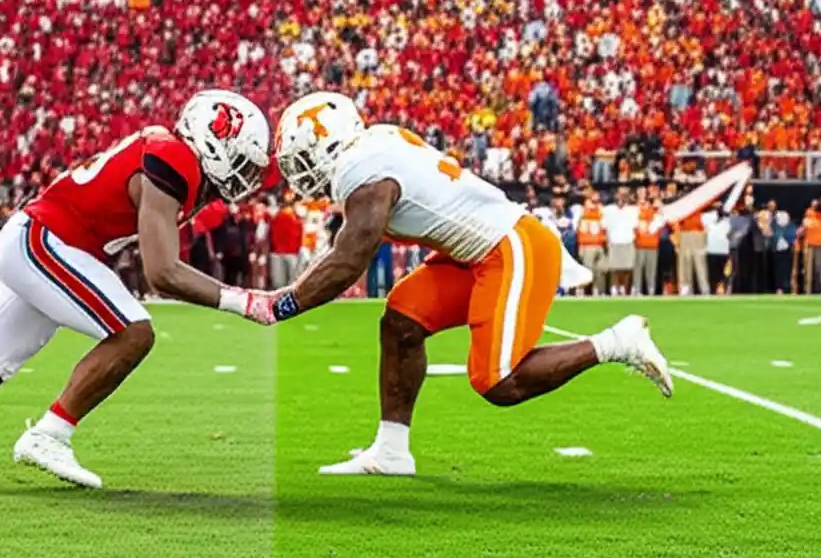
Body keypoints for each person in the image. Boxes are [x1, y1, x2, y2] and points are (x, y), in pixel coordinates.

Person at [0, 90, 272, 488]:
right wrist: (244, 301)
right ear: (213, 141)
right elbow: (162, 272)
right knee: (134, 332)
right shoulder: (173, 158)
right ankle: (51, 434)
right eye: (243, 158)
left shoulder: (171, 154)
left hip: (45, 243)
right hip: (46, 241)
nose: (246, 173)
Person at [257, 92, 671, 476]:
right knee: (403, 319)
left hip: (509, 245)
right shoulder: (377, 142)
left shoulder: (360, 168)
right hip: (473, 254)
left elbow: (347, 262)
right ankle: (391, 451)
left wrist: (281, 304)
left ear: (330, 145)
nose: (300, 172)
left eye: (303, 158)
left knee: (498, 380)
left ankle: (617, 342)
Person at [268, 200, 305, 289]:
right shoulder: (295, 219)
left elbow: (271, 234)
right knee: (292, 281)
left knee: (279, 283)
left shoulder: (276, 218)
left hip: (279, 252)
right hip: (291, 252)